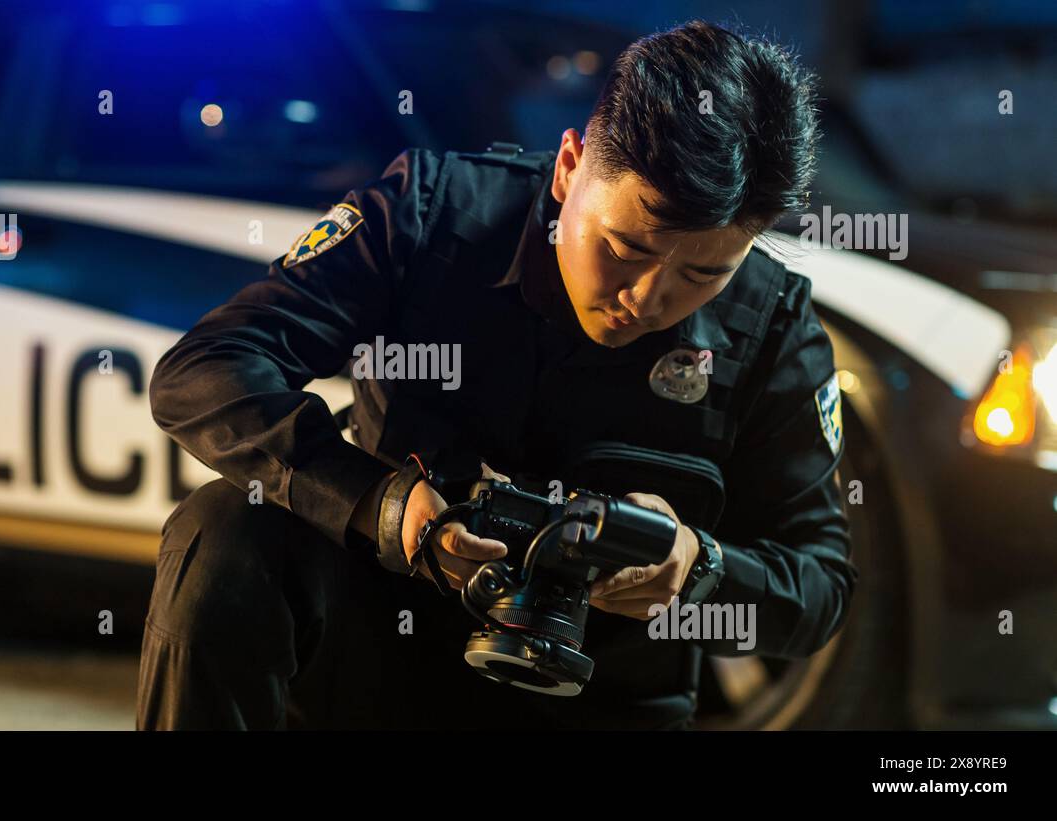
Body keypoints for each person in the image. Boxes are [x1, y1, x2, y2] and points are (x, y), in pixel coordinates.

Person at [136, 19, 857, 730]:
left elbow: (821, 586)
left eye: (703, 273)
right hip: (376, 669)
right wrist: (380, 505)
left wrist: (699, 568)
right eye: (625, 247)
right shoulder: (432, 218)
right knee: (225, 526)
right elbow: (203, 370)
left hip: (597, 699)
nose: (647, 297)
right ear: (571, 165)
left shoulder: (771, 327)